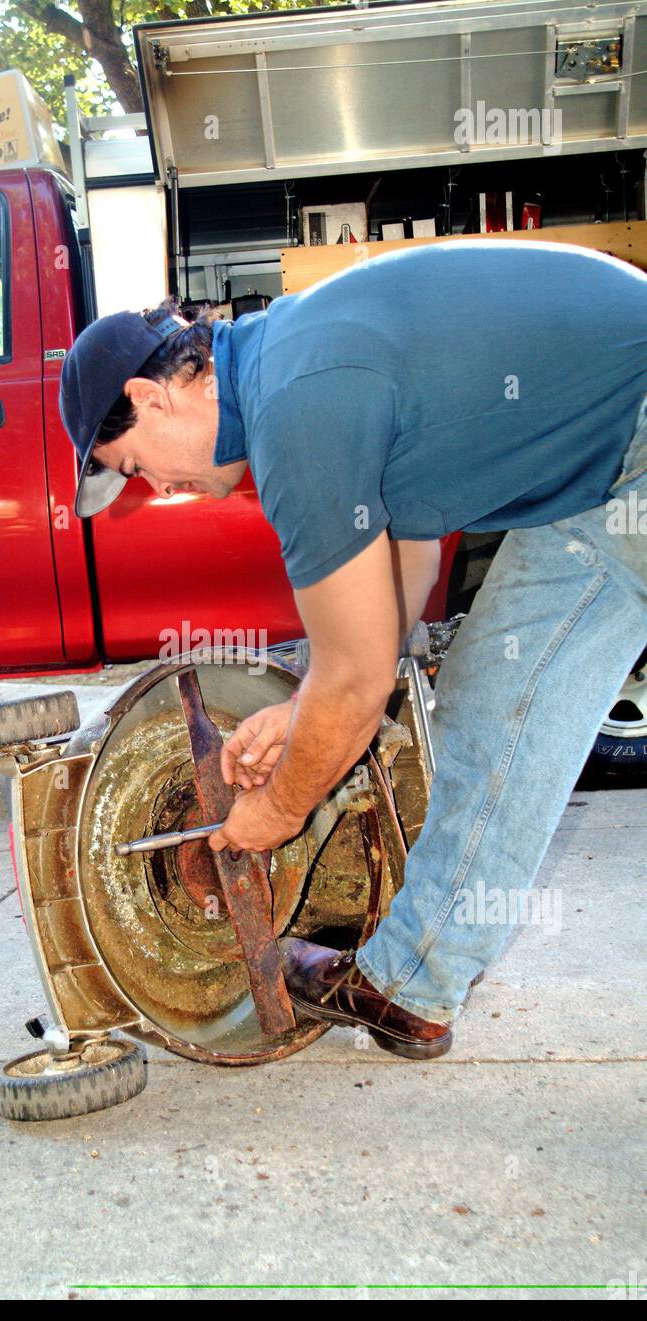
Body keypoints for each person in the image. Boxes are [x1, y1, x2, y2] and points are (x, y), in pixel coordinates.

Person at [59, 241, 647, 1060]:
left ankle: (412, 985)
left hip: (633, 437)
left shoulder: (294, 411)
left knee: (493, 700)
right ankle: (410, 990)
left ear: (149, 397)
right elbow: (404, 566)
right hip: (613, 472)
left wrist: (278, 809)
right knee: (493, 697)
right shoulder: (286, 361)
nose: (154, 488)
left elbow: (359, 679)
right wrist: (304, 705)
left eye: (132, 467)